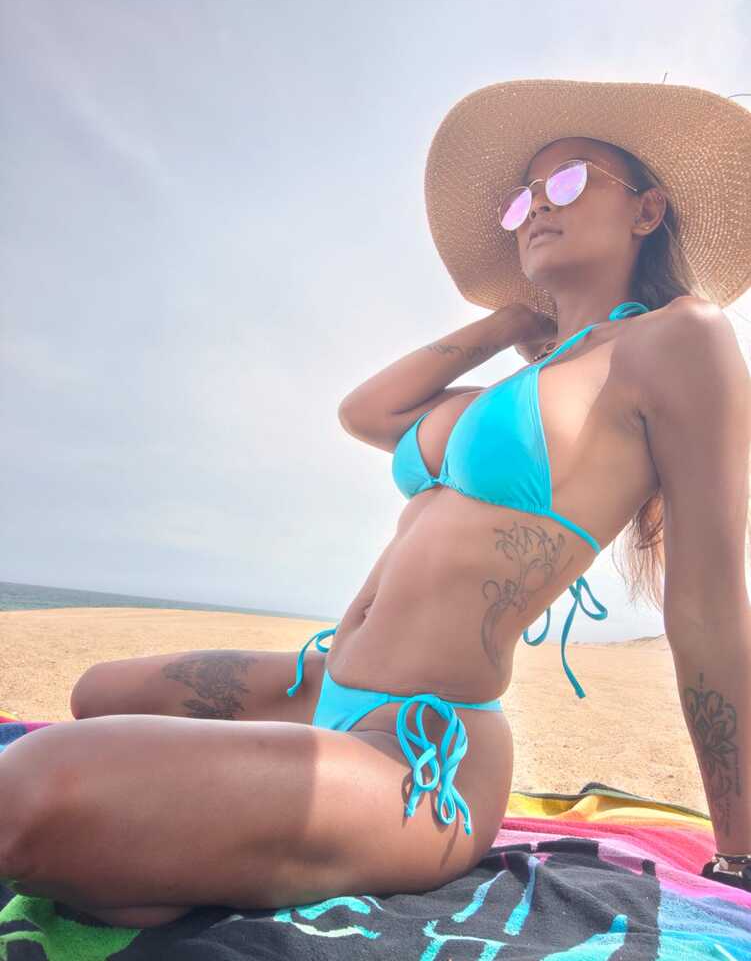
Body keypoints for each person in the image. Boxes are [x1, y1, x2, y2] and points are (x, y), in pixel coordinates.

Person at [5, 79, 751, 927]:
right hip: (323, 684)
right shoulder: (506, 393)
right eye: (522, 199)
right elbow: (365, 412)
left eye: (570, 180)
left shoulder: (677, 339)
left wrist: (738, 848)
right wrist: (504, 325)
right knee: (97, 695)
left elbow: (707, 606)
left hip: (420, 754)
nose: (538, 205)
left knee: (34, 789)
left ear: (646, 210)